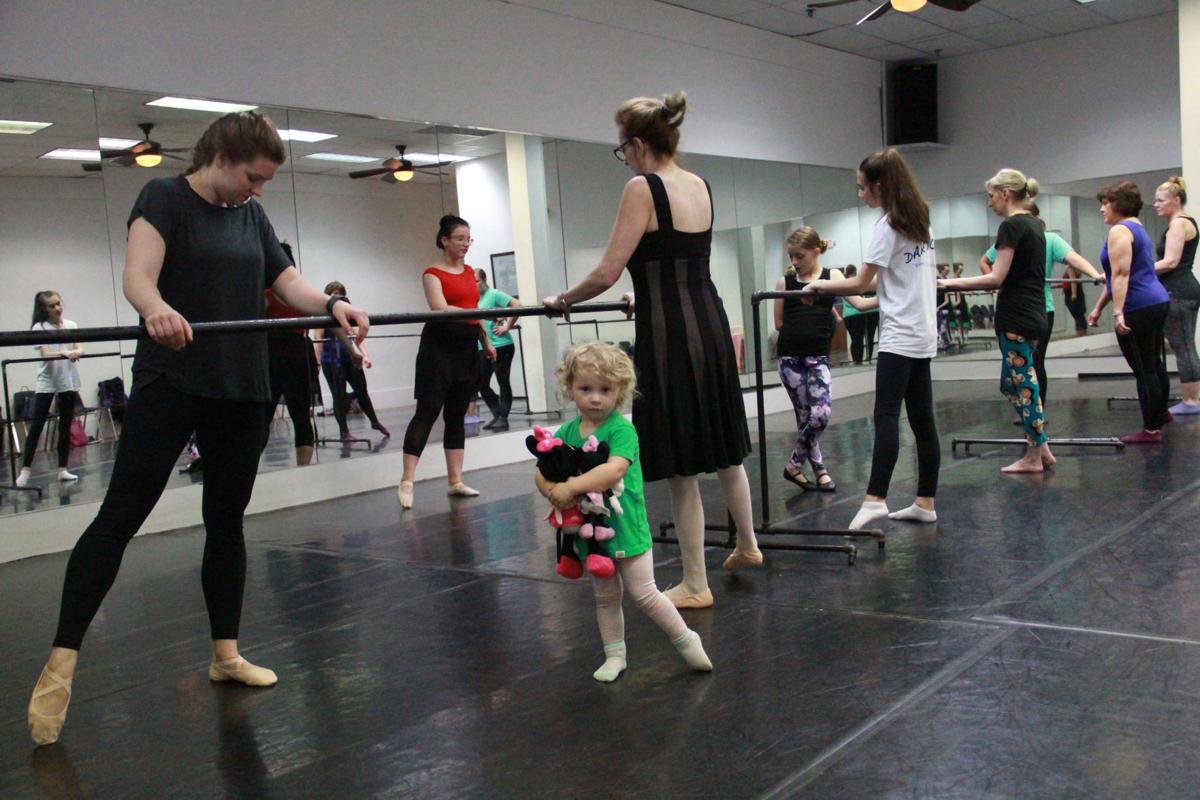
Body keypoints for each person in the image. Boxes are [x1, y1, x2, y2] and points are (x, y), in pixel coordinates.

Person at [25, 111, 370, 747]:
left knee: (227, 521)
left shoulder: (251, 214)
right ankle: (60, 664)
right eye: (253, 176)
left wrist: (331, 304)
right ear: (219, 156)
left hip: (242, 384)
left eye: (267, 181)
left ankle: (226, 653)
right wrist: (155, 310)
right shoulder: (162, 196)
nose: (257, 189)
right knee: (119, 517)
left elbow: (284, 280)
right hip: (174, 380)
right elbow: (137, 275)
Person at [544, 91, 761, 610]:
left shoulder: (642, 187)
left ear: (638, 144)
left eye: (623, 149)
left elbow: (606, 269)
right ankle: (747, 545)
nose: (625, 158)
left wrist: (563, 300)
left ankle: (694, 583)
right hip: (709, 321)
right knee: (725, 450)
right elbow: (677, 263)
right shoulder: (700, 185)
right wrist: (640, 291)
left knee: (684, 465)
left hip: (667, 337)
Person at [534, 342, 712, 682]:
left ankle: (686, 638)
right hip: (591, 533)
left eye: (605, 390)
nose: (596, 398)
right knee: (604, 597)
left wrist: (569, 488)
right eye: (586, 389)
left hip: (625, 526)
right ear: (570, 389)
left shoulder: (622, 431)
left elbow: (613, 471)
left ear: (621, 390)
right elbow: (543, 469)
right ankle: (615, 654)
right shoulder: (567, 432)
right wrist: (551, 490)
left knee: (644, 593)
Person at [801, 148, 940, 530]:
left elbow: (863, 280)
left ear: (879, 186)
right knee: (923, 420)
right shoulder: (920, 221)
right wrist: (848, 293)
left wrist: (821, 283)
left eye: (862, 188)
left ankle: (876, 498)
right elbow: (891, 279)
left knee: (886, 417)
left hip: (900, 337)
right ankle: (925, 501)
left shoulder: (888, 224)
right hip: (923, 334)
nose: (860, 195)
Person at [941, 169, 1053, 473]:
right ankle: (1042, 446)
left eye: (991, 196)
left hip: (1017, 317)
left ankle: (1033, 456)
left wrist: (949, 284)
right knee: (1010, 384)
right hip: (1033, 313)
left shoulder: (1012, 226)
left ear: (1005, 193)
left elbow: (995, 278)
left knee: (1024, 386)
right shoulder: (1034, 224)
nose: (989, 203)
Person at [398, 215, 496, 509]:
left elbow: (473, 310)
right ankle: (407, 480)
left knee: (457, 415)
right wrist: (476, 318)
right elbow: (439, 308)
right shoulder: (432, 273)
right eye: (460, 239)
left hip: (466, 347)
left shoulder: (469, 273)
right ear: (444, 240)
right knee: (427, 412)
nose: (465, 244)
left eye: (468, 239)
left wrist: (486, 341)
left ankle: (455, 481)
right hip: (438, 349)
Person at [980, 198, 1103, 405]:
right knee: (1013, 371)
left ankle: (1037, 410)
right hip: (1013, 309)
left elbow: (1073, 258)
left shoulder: (1049, 239)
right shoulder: (1011, 237)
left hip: (1041, 309)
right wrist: (996, 282)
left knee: (1035, 362)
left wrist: (1094, 274)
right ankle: (1029, 407)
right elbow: (985, 261)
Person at [774, 228, 861, 492]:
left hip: (817, 357)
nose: (795, 262)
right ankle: (820, 470)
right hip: (790, 358)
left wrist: (890, 296)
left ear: (816, 251)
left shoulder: (831, 276)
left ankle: (794, 465)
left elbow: (857, 301)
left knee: (820, 415)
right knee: (804, 417)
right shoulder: (784, 283)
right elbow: (778, 323)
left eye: (800, 256)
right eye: (791, 256)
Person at [1088, 181, 1172, 443]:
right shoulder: (1138, 228)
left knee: (1143, 368)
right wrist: (1099, 306)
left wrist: (1118, 313)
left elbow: (1122, 275)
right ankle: (1160, 415)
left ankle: (1151, 429)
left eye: (1106, 204)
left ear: (1119, 205)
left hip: (1139, 305)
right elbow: (1118, 275)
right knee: (1153, 364)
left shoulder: (1119, 231)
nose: (1102, 209)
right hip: (1156, 300)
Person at [15, 291, 82, 487]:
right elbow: (45, 354)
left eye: (59, 303)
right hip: (47, 382)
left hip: (67, 381)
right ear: (44, 309)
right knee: (37, 426)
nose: (58, 308)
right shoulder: (39, 327)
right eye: (52, 306)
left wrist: (75, 352)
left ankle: (63, 469)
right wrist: (64, 353)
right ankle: (25, 471)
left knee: (64, 427)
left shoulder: (71, 325)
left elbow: (80, 348)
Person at [263, 242, 319, 465]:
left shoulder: (266, 294)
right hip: (294, 353)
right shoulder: (292, 294)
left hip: (278, 354)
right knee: (300, 415)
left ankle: (303, 469)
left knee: (266, 416)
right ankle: (303, 468)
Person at [315, 281, 390, 442]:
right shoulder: (323, 315)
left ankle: (374, 421)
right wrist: (317, 362)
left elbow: (357, 337)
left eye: (340, 294)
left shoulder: (347, 313)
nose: (338, 298)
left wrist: (366, 355)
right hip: (331, 360)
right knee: (338, 395)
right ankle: (344, 431)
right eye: (334, 294)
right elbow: (318, 339)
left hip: (349, 358)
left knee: (362, 390)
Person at [1152, 176, 1200, 414]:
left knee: (1183, 347)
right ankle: (1193, 398)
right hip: (1182, 291)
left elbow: (1170, 261)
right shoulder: (1182, 223)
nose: (1156, 204)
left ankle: (1191, 401)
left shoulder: (1179, 224)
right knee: (1184, 345)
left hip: (1179, 292)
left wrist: (1138, 270)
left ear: (1176, 200)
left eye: (1161, 200)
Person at [475, 268, 521, 431]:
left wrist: (508, 325)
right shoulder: (474, 299)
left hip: (502, 345)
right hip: (483, 346)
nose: (474, 285)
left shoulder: (494, 294)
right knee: (481, 383)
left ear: (484, 280)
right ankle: (497, 415)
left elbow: (517, 305)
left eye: (477, 281)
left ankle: (503, 417)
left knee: (503, 380)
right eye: (471, 282)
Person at [841, 264, 879, 364]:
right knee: (869, 336)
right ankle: (869, 359)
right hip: (868, 311)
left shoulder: (846, 282)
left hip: (849, 314)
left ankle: (857, 362)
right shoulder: (861, 283)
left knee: (856, 339)